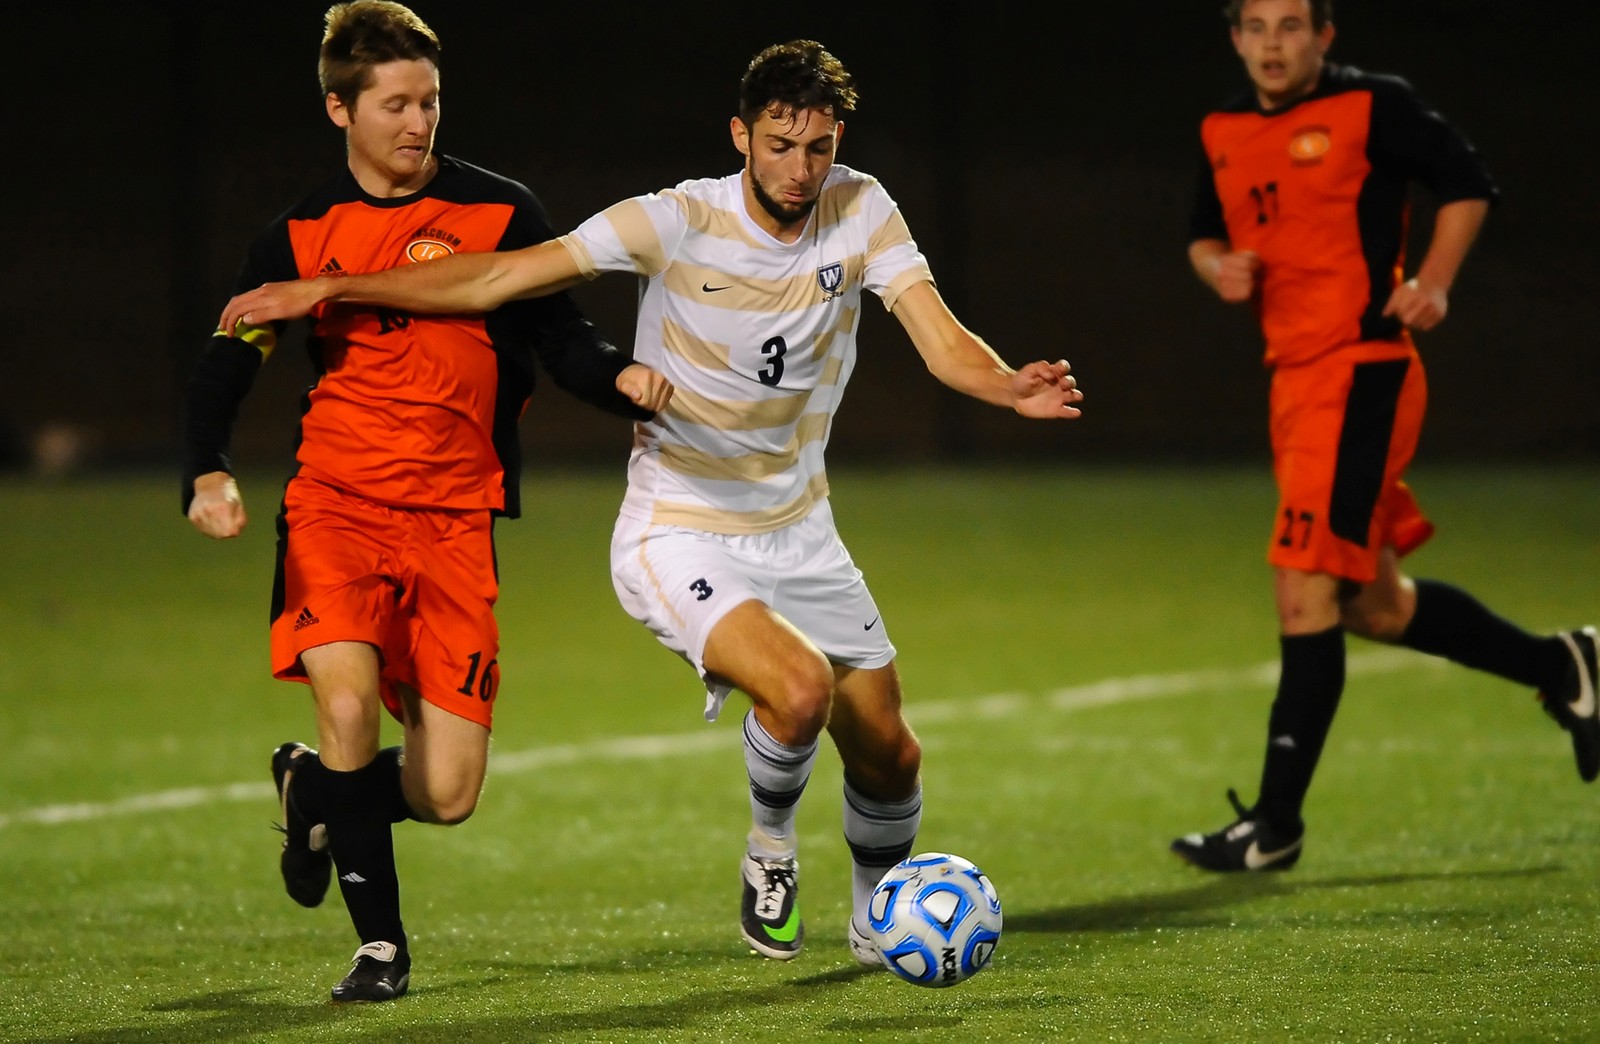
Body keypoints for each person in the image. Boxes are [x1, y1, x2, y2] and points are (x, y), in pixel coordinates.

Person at [219, 38, 1083, 964]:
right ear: (740, 136)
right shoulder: (674, 220)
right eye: (781, 146)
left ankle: (880, 922)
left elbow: (943, 341)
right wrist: (331, 286)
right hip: (680, 528)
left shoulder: (861, 207)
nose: (801, 170)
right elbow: (495, 275)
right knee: (797, 693)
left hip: (801, 527)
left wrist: (1006, 385)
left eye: (820, 148)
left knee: (891, 755)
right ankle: (770, 849)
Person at [182, 1, 672, 1001]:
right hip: (337, 506)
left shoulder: (499, 213)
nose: (419, 122)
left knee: (445, 794)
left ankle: (313, 790)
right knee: (351, 705)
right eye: (396, 104)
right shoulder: (296, 234)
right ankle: (380, 951)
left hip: (455, 522)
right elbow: (230, 359)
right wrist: (207, 466)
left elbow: (560, 333)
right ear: (339, 110)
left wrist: (615, 375)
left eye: (431, 102)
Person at [1170, 0, 1596, 872]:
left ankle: (1275, 826)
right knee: (1374, 603)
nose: (1274, 43)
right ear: (1236, 38)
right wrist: (1218, 266)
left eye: (1293, 25)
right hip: (1295, 386)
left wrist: (1433, 281)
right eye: (1257, 26)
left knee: (1303, 591)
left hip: (1363, 372)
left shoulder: (1372, 108)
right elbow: (1202, 233)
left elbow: (1469, 182)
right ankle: (1566, 665)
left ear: (1326, 37)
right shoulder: (1221, 129)